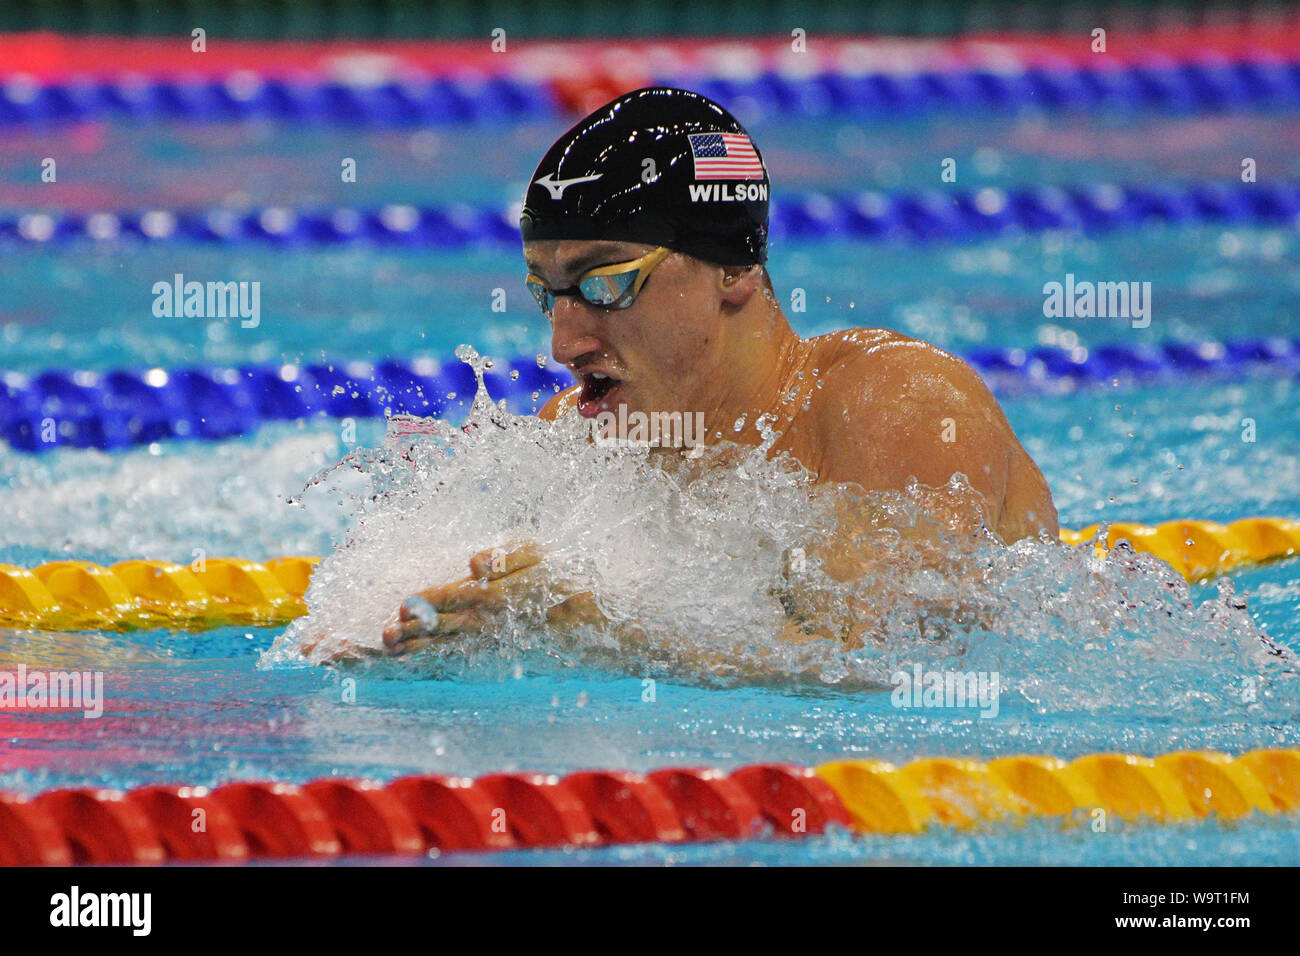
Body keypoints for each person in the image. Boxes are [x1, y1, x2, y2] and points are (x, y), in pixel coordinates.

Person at [376, 86, 1058, 656]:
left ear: (734, 269)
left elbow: (874, 662)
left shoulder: (897, 407)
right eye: (547, 294)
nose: (564, 345)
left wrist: (601, 636)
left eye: (604, 284)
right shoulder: (584, 438)